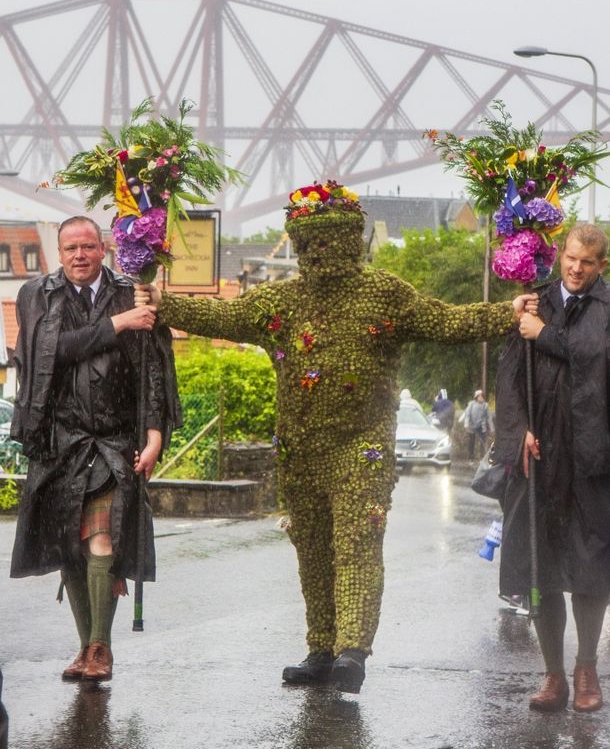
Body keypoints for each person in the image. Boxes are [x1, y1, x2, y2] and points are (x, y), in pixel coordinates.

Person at [136, 188, 535, 694]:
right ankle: (322, 648)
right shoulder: (281, 300)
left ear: (352, 239)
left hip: (362, 445)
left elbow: (446, 320)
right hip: (300, 449)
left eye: (330, 239)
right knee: (313, 548)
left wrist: (507, 313)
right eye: (309, 241)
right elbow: (225, 317)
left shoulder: (384, 294)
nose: (319, 251)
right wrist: (163, 302)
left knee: (357, 542)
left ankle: (352, 650)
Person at [9, 216, 180, 682]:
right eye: (71, 248)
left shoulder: (132, 292)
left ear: (103, 248)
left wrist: (154, 435)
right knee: (71, 546)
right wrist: (119, 324)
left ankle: (101, 648)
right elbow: (48, 354)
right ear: (59, 252)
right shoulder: (37, 295)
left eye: (87, 246)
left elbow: (152, 371)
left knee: (103, 539)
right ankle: (85, 647)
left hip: (114, 442)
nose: (79, 255)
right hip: (59, 443)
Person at [495, 223, 610, 714]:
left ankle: (586, 669)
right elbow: (508, 378)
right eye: (571, 258)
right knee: (540, 563)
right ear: (560, 255)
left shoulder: (606, 309)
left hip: (592, 458)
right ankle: (554, 675)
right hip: (541, 458)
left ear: (601, 265)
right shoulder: (534, 302)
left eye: (587, 262)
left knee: (589, 566)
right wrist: (518, 428)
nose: (577, 269)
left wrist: (543, 335)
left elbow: (595, 358)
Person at [462, 390, 492, 460]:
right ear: (476, 397)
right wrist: (466, 424)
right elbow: (467, 414)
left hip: (481, 426)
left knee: (483, 442)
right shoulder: (471, 404)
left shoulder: (485, 405)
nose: (481, 397)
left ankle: (482, 457)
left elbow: (488, 417)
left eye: (482, 396)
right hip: (472, 425)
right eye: (480, 396)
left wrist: (492, 427)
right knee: (471, 442)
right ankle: (471, 458)